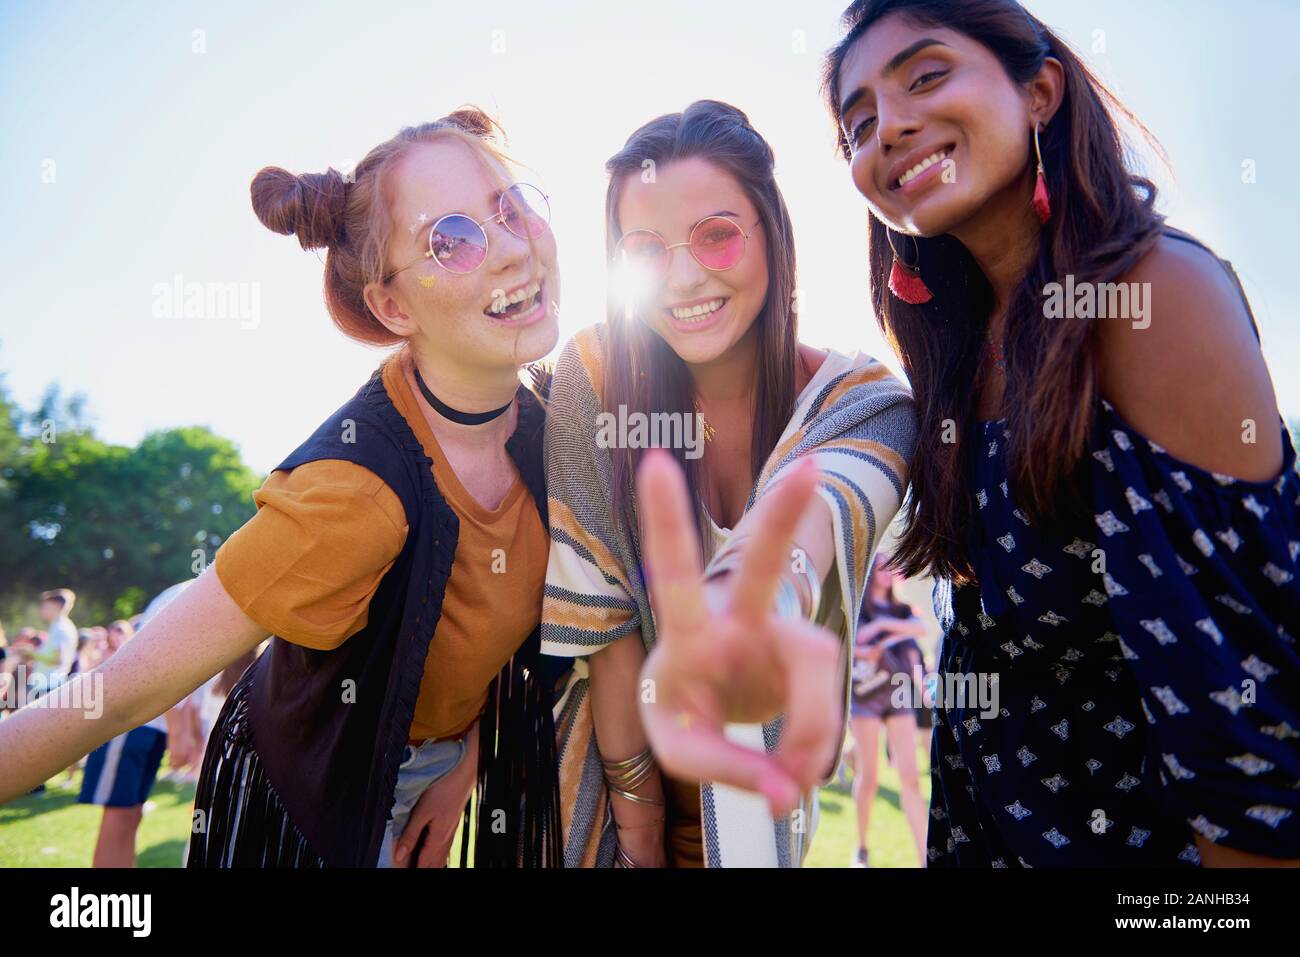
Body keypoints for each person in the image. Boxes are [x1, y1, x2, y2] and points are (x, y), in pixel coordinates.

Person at [0, 108, 563, 869]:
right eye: (452, 240)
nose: (510, 249)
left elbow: (480, 624)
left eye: (512, 205)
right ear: (392, 306)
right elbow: (117, 691)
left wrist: (461, 756)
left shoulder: (555, 428)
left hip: (430, 763)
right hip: (306, 793)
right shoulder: (350, 494)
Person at [821, 0, 1299, 866]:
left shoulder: (1149, 293)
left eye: (925, 77)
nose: (889, 127)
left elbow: (1245, 732)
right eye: (858, 124)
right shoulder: (961, 348)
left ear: (1039, 90)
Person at [541, 100, 917, 866]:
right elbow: (604, 622)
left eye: (716, 235)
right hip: (595, 809)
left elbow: (822, 510)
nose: (683, 279)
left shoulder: (868, 403)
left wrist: (757, 595)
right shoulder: (594, 376)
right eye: (645, 249)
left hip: (757, 818)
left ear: (772, 236)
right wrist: (641, 826)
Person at [847, 553, 928, 866]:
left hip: (898, 695)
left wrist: (884, 626)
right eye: (880, 567)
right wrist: (865, 648)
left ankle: (924, 856)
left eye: (890, 568)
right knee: (868, 778)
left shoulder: (901, 610)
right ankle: (862, 848)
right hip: (866, 696)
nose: (887, 572)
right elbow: (851, 642)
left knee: (910, 777)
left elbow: (919, 628)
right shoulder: (858, 609)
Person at [76, 616, 170, 867]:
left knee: (132, 813)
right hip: (130, 724)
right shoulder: (176, 597)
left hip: (154, 727)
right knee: (119, 813)